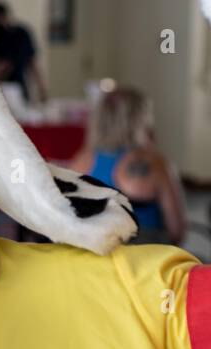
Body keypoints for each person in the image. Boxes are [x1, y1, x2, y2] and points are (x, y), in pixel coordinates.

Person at [68, 85, 186, 242]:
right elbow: (177, 230)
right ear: (141, 119)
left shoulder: (80, 161)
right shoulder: (156, 163)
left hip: (96, 260)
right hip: (146, 260)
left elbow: (69, 222)